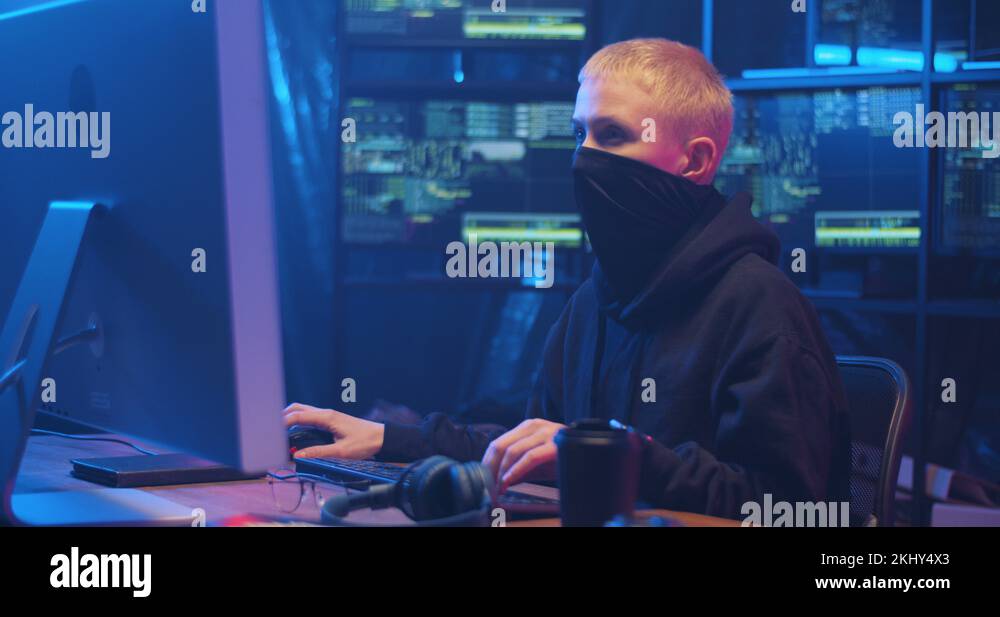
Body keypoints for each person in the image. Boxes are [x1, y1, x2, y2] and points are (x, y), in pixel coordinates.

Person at [283, 38, 851, 519]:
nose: (585, 158)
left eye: (613, 135)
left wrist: (619, 456)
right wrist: (391, 441)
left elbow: (784, 505)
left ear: (696, 161)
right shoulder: (594, 303)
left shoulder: (761, 307)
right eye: (581, 134)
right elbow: (533, 440)